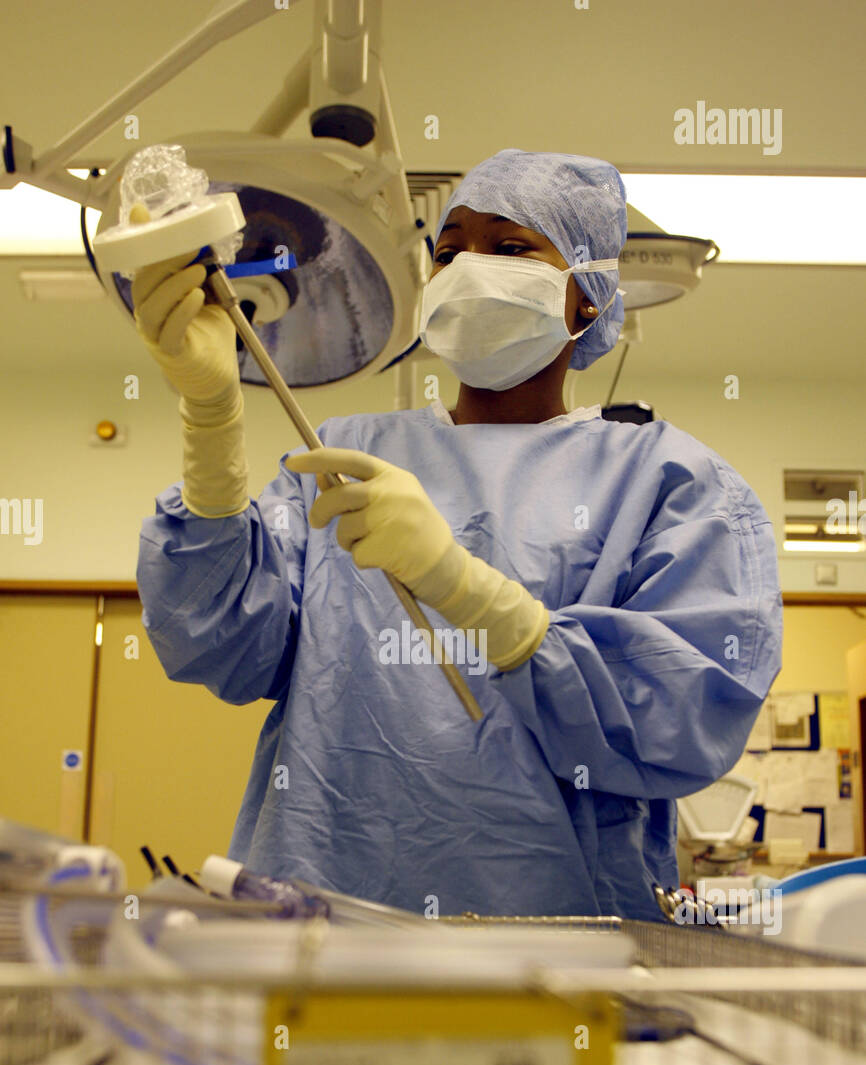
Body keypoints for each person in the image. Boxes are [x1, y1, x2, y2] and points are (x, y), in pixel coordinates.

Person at [134, 148, 782, 920]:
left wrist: (463, 586)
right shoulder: (342, 457)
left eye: (510, 249)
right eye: (449, 251)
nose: (469, 268)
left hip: (558, 949)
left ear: (588, 297)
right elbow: (217, 644)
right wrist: (212, 418)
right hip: (320, 933)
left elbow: (685, 720)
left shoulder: (671, 483)